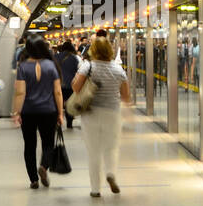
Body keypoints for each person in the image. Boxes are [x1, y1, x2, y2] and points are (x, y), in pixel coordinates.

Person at [70, 36, 131, 197]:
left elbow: (76, 88)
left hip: (91, 113)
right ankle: (110, 173)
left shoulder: (87, 67)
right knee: (111, 147)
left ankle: (95, 190)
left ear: (93, 50)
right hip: (112, 113)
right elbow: (126, 96)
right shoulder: (118, 70)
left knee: (93, 152)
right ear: (110, 50)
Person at [12, 35, 64, 189]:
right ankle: (44, 166)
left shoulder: (23, 67)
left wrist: (17, 113)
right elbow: (58, 92)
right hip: (48, 111)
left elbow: (20, 93)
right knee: (48, 143)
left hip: (28, 112)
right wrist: (60, 113)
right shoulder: (51, 65)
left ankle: (33, 179)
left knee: (29, 145)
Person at [56, 40, 80, 129]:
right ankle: (69, 123)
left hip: (58, 84)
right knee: (69, 104)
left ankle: (57, 122)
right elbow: (77, 71)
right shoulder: (74, 58)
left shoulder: (56, 56)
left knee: (58, 103)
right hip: (70, 84)